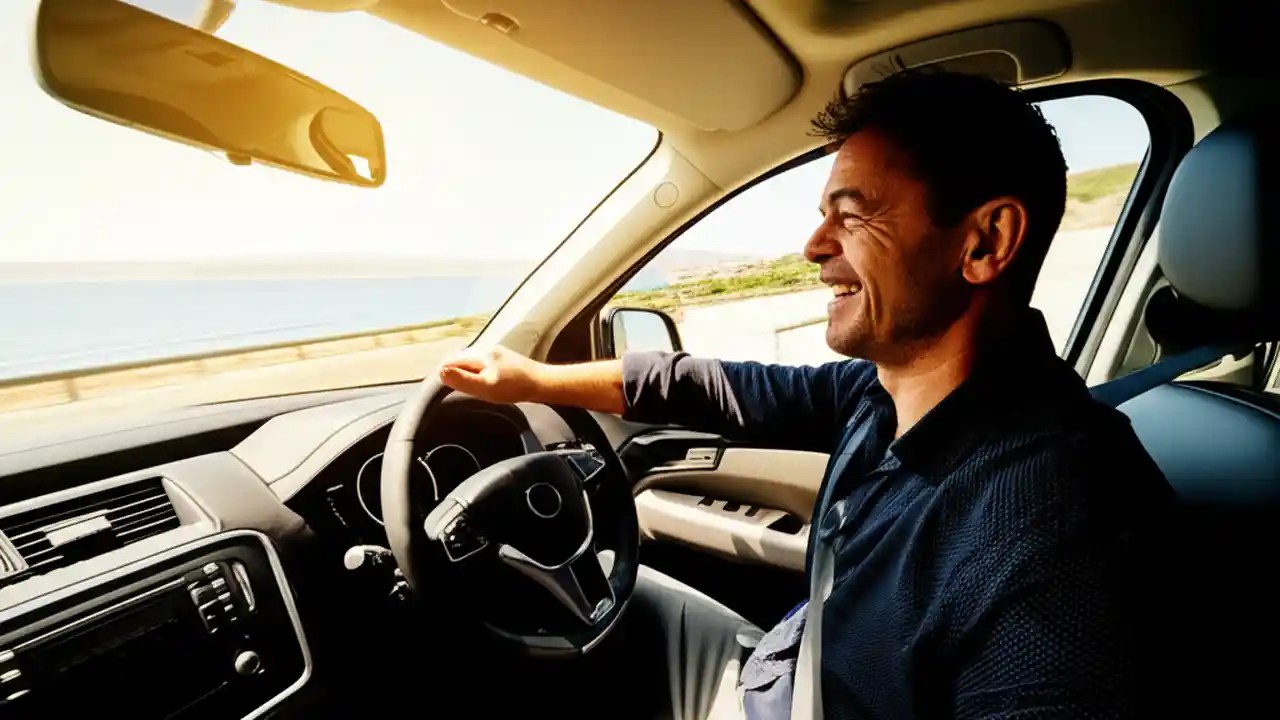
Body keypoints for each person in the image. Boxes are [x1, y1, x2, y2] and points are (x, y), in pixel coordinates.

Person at [438, 70, 1174, 719]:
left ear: (984, 243)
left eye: (851, 214)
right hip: (788, 670)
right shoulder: (882, 392)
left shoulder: (1058, 519)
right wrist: (532, 381)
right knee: (601, 598)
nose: (815, 245)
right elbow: (712, 387)